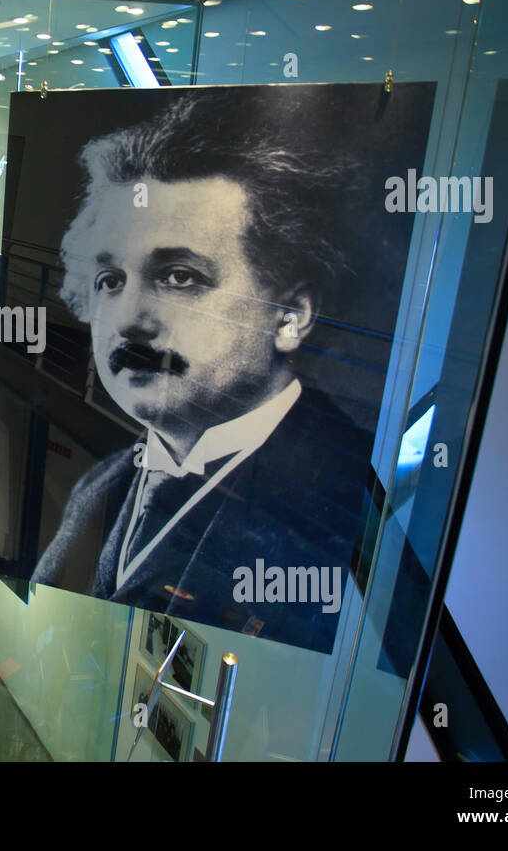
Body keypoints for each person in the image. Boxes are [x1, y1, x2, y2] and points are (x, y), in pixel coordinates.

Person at [30, 90, 376, 654]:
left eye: (180, 277)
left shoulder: (352, 514)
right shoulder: (102, 483)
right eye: (111, 280)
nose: (129, 321)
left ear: (290, 317)